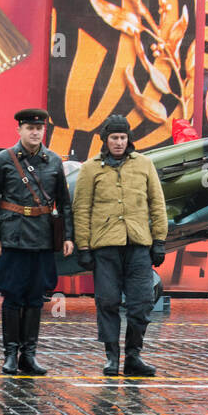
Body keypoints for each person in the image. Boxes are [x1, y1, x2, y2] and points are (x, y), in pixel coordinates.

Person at [72, 114, 168, 377]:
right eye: (114, 137)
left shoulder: (145, 165)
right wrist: (83, 247)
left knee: (142, 302)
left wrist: (159, 240)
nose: (118, 142)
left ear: (129, 139)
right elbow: (81, 208)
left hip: (138, 245)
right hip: (105, 246)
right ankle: (112, 358)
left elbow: (157, 204)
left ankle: (133, 356)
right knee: (108, 302)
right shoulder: (90, 168)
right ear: (105, 139)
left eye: (123, 137)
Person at [0, 108, 75, 376]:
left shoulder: (54, 161)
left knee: (36, 298)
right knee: (12, 295)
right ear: (19, 130)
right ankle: (10, 355)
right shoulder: (3, 159)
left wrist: (68, 236)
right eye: (29, 128)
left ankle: (29, 355)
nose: (35, 132)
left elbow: (65, 204)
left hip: (43, 238)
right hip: (12, 237)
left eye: (39, 128)